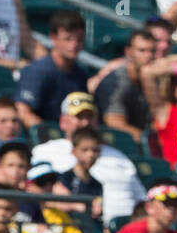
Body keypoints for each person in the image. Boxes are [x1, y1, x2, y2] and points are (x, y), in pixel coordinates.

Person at [31, 93, 146, 224]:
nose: (86, 122)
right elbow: (31, 187)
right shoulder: (45, 151)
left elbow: (141, 197)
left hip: (127, 226)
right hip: (75, 225)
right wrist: (74, 204)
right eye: (79, 117)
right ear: (63, 121)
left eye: (90, 117)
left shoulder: (119, 156)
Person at [14, 10, 88, 129]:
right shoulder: (37, 71)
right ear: (53, 38)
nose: (74, 45)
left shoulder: (80, 74)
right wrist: (49, 135)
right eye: (68, 39)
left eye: (79, 39)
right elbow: (23, 111)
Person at [94, 30, 157, 143]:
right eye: (142, 50)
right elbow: (114, 123)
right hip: (115, 145)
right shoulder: (116, 82)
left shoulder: (153, 79)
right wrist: (149, 141)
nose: (149, 56)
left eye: (152, 51)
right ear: (128, 52)